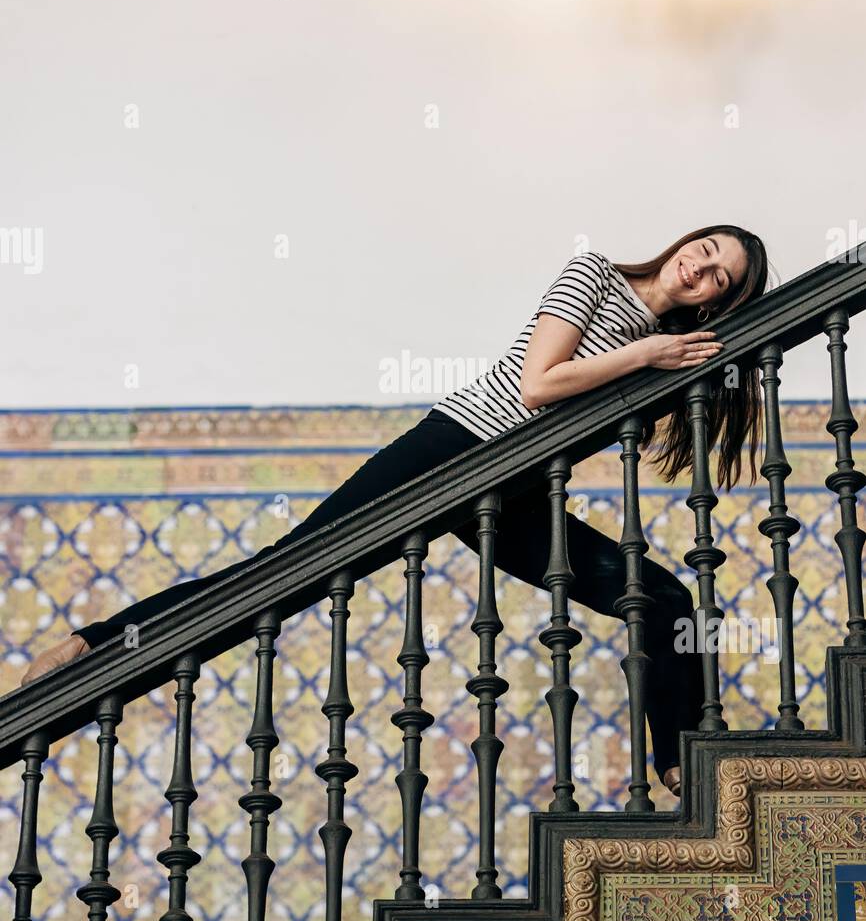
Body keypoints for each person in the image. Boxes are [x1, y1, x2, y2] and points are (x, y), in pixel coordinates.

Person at [20, 225, 770, 797]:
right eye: (703, 249)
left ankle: (681, 764)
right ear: (682, 241)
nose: (699, 268)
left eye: (717, 276)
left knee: (664, 595)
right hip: (454, 448)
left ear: (716, 299)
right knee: (277, 576)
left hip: (508, 489)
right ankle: (93, 644)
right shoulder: (596, 277)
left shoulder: (667, 344)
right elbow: (540, 385)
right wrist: (643, 359)